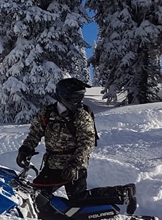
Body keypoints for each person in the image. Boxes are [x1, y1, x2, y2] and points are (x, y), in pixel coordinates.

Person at [16, 78, 137, 213]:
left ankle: (123, 192)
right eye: (75, 97)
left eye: (81, 96)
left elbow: (87, 142)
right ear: (63, 95)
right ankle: (50, 219)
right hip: (52, 164)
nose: (78, 101)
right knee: (36, 195)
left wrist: (76, 164)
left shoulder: (81, 115)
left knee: (78, 199)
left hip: (73, 164)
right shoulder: (46, 113)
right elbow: (34, 134)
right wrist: (26, 149)